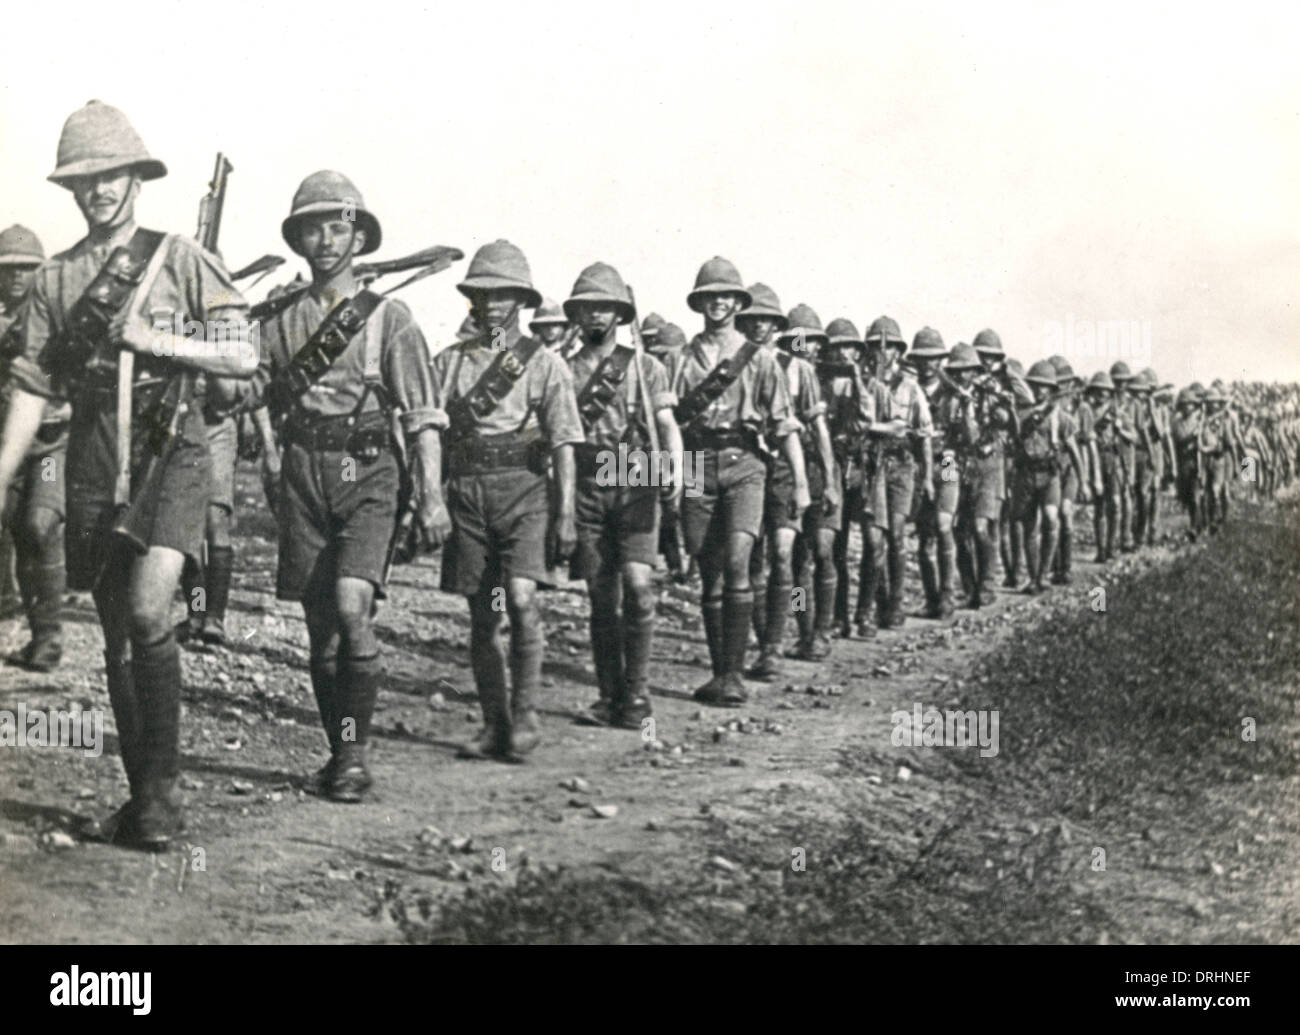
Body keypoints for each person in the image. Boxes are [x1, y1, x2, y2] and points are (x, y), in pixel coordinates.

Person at [0, 101, 253, 849]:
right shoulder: (54, 279)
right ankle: (144, 798)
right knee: (115, 640)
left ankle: (166, 789)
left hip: (172, 447)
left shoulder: (179, 256)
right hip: (92, 460)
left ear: (135, 177)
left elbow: (243, 353)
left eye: (110, 174)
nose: (98, 190)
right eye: (84, 179)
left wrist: (166, 341)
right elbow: (34, 390)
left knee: (149, 614)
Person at [246, 170, 450, 801]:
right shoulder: (278, 317)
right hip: (303, 473)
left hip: (368, 470)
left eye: (339, 227)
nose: (327, 240)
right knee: (319, 626)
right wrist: (270, 451)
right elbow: (251, 385)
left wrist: (433, 495)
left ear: (358, 238)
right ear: (299, 239)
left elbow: (422, 416)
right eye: (314, 228)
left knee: (352, 608)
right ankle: (339, 752)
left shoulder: (391, 320)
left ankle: (357, 755)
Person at [431, 240, 583, 760]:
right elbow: (427, 427)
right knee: (483, 615)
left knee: (521, 599)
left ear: (521, 300)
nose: (492, 304)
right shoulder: (448, 363)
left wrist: (565, 514)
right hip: (468, 494)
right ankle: (494, 722)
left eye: (504, 295)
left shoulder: (544, 365)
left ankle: (526, 715)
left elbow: (564, 443)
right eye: (483, 294)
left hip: (524, 491)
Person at [669, 257, 805, 706]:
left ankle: (734, 676)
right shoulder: (680, 359)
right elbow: (664, 420)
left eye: (726, 296)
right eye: (711, 296)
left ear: (737, 303)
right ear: (700, 302)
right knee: (708, 573)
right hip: (694, 464)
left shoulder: (761, 359)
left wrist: (800, 483)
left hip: (746, 462)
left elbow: (784, 426)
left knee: (738, 560)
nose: (718, 303)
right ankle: (719, 672)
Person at [562, 261, 680, 728]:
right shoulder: (563, 371)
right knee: (600, 595)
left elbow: (667, 425)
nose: (595, 316)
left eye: (604, 308)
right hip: (589, 486)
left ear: (619, 313)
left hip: (635, 479)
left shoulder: (645, 367)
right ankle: (608, 695)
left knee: (638, 587)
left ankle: (638, 694)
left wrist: (673, 468)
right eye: (587, 308)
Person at [0, 224, 69, 670]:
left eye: (27, 269)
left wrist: (70, 408)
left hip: (47, 447)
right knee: (15, 531)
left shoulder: (59, 324)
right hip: (6, 450)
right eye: (8, 270)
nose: (17, 278)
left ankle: (48, 636)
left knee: (40, 525)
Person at [864, 316, 932, 628]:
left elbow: (924, 435)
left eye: (890, 346)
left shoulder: (911, 388)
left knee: (897, 535)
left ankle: (895, 605)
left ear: (898, 351)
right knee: (873, 539)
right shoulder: (863, 383)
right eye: (877, 346)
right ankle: (871, 607)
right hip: (871, 465)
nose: (883, 352)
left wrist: (929, 477)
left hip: (902, 464)